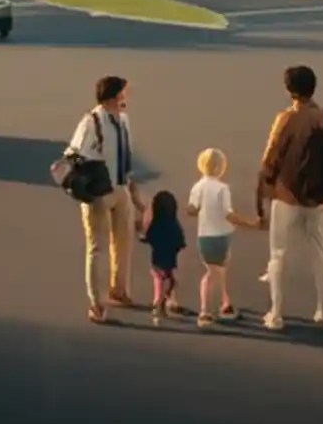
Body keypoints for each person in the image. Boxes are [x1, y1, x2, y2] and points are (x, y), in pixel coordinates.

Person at [257, 66, 323, 331]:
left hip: (286, 195)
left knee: (278, 255)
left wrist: (263, 193)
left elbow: (271, 158)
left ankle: (276, 313)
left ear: (289, 90)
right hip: (319, 198)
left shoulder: (285, 118)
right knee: (321, 254)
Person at [67, 75, 147, 323]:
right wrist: (89, 183)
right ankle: (96, 303)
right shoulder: (91, 122)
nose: (127, 98)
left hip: (120, 189)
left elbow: (127, 157)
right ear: (113, 97)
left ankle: (118, 290)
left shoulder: (123, 120)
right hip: (99, 195)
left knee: (123, 244)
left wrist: (135, 195)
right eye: (123, 93)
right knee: (97, 249)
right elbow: (74, 154)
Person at [188, 148, 261, 328]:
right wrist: (252, 224)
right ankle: (205, 311)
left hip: (204, 236)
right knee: (214, 273)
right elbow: (229, 215)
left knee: (218, 271)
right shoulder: (222, 189)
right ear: (221, 167)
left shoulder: (198, 187)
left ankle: (225, 304)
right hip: (221, 236)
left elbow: (191, 209)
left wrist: (198, 210)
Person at [140, 191, 187, 325]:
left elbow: (148, 238)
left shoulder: (155, 225)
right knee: (168, 278)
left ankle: (158, 303)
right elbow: (180, 241)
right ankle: (167, 298)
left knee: (158, 279)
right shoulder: (174, 225)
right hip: (171, 260)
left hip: (157, 259)